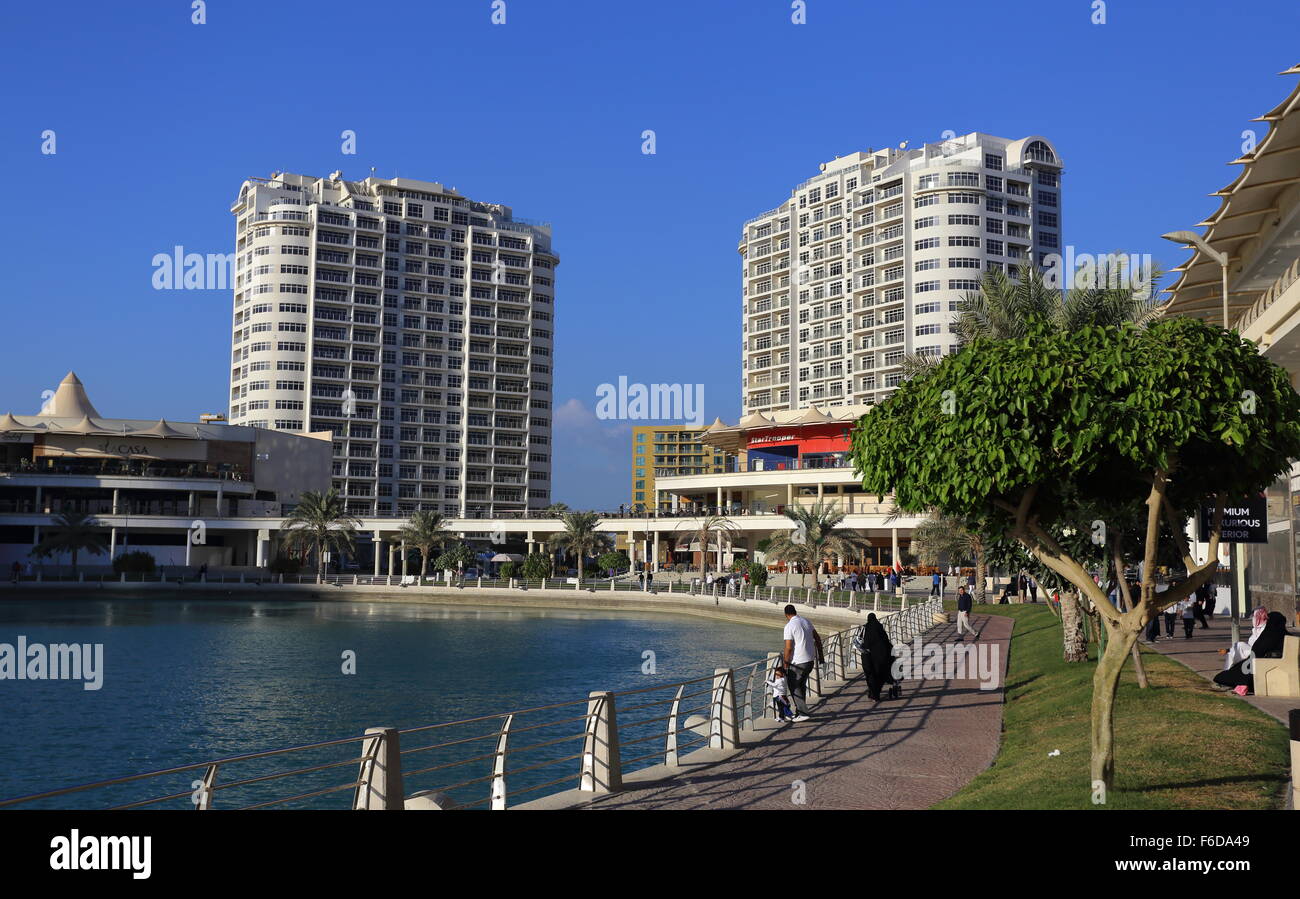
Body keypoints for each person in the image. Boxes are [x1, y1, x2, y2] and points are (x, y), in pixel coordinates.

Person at [1214, 612, 1288, 694]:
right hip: (1282, 666)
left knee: (1228, 675)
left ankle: (1242, 685)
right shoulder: (1287, 635)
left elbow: (1256, 651)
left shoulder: (1268, 635)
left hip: (1262, 665)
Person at [782, 604, 823, 721]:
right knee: (801, 685)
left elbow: (788, 648)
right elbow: (818, 638)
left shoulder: (789, 626)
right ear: (795, 611)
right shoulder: (806, 621)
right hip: (810, 660)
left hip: (798, 662)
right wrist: (821, 656)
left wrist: (785, 664)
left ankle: (803, 713)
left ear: (786, 615)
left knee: (793, 686)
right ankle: (800, 711)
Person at [858, 613, 896, 702]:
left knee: (870, 675)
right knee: (880, 674)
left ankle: (873, 694)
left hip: (868, 657)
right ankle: (876, 693)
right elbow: (886, 642)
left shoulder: (866, 628)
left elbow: (862, 642)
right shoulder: (879, 628)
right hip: (880, 657)